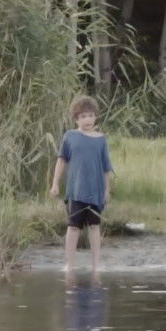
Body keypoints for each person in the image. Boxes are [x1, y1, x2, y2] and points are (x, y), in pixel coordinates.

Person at [48, 94, 113, 272]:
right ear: (76, 119)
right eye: (83, 116)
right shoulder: (70, 137)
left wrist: (107, 190)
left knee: (94, 227)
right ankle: (70, 264)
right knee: (74, 227)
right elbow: (61, 161)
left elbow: (107, 168)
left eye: (90, 115)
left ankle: (96, 265)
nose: (88, 120)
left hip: (96, 190)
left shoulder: (101, 140)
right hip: (76, 190)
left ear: (96, 117)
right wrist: (55, 184)